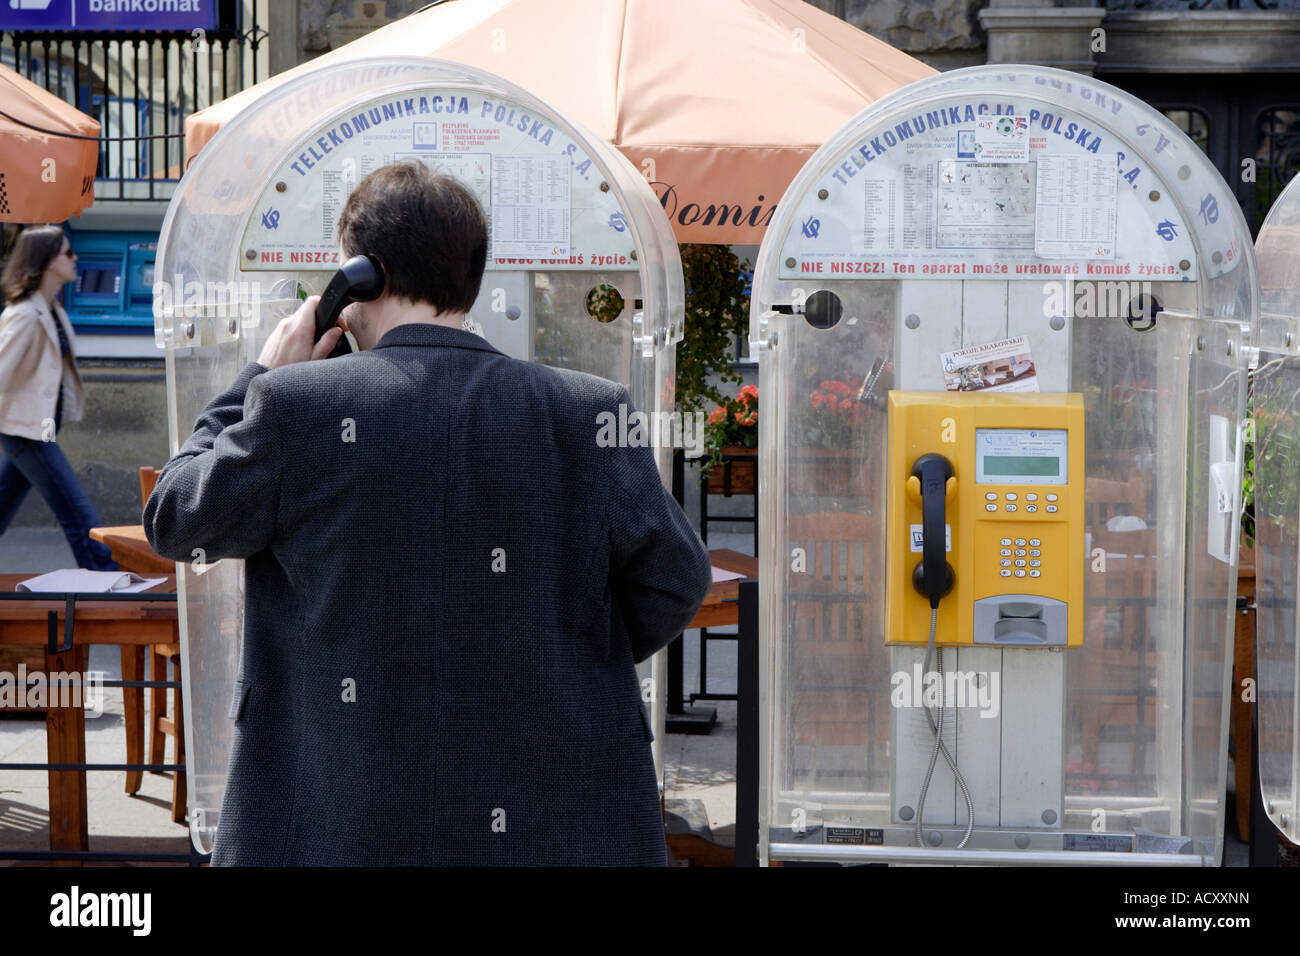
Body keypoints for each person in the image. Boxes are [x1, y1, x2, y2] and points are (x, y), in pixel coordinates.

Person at [143, 162, 712, 865]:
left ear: (360, 276)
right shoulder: (587, 412)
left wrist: (257, 377)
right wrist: (561, 657)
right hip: (551, 821)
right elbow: (678, 579)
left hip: (342, 814)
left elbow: (174, 515)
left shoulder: (296, 408)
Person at [0, 225, 118, 571]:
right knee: (79, 514)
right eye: (68, 253)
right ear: (47, 261)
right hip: (26, 432)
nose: (75, 258)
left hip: (40, 429)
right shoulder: (24, 316)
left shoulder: (51, 310)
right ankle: (105, 586)